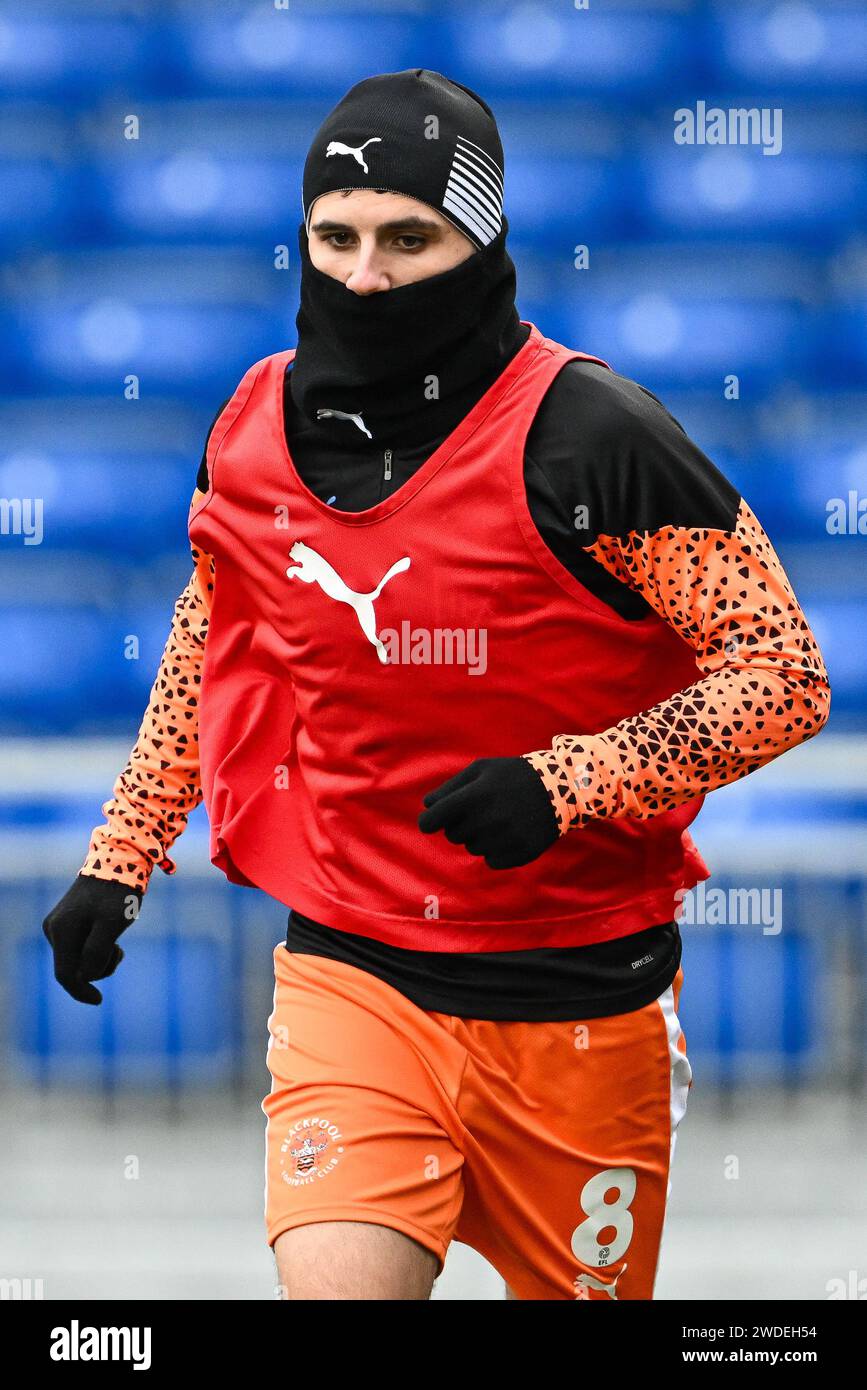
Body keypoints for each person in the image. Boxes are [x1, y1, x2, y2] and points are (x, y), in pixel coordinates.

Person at [42, 70, 830, 1301]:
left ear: (482, 240)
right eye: (335, 236)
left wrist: (563, 782)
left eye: (409, 238)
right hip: (355, 975)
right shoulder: (249, 424)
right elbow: (217, 633)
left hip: (581, 998)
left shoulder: (596, 437)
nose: (363, 275)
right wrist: (121, 850)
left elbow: (783, 673)